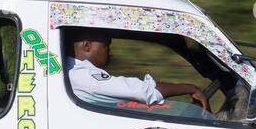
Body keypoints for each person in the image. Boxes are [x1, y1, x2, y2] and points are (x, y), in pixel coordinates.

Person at [66, 27, 206, 108]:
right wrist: (191, 88)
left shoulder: (69, 69)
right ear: (86, 46)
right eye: (106, 46)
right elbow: (144, 91)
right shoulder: (83, 75)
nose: (110, 53)